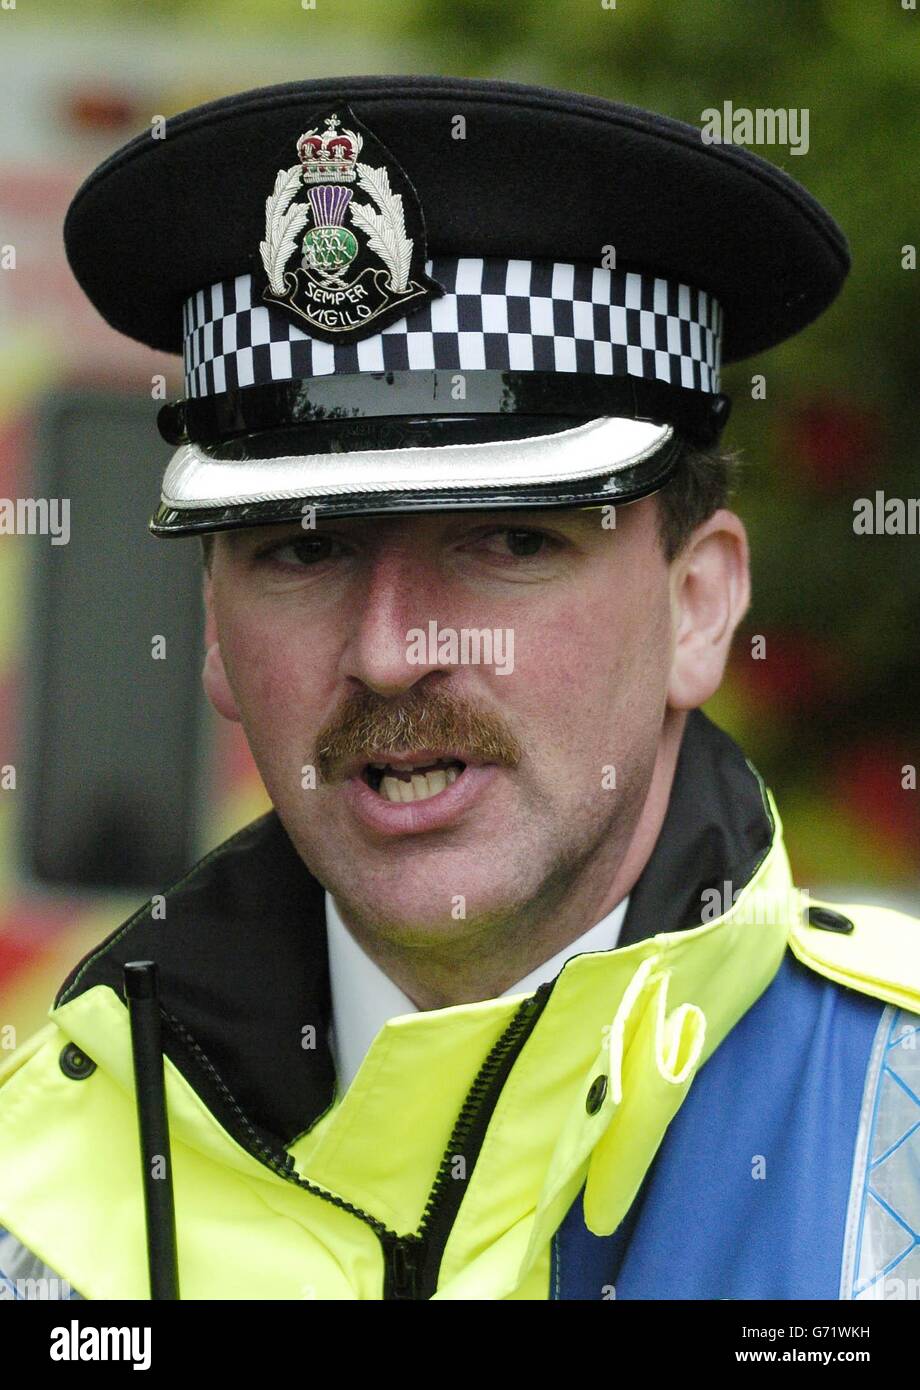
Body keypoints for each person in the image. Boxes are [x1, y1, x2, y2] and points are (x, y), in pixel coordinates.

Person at [0, 75, 917, 1302]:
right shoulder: (32, 1209)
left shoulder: (887, 1129)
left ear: (696, 607)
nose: (388, 650)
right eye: (305, 548)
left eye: (509, 540)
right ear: (210, 629)